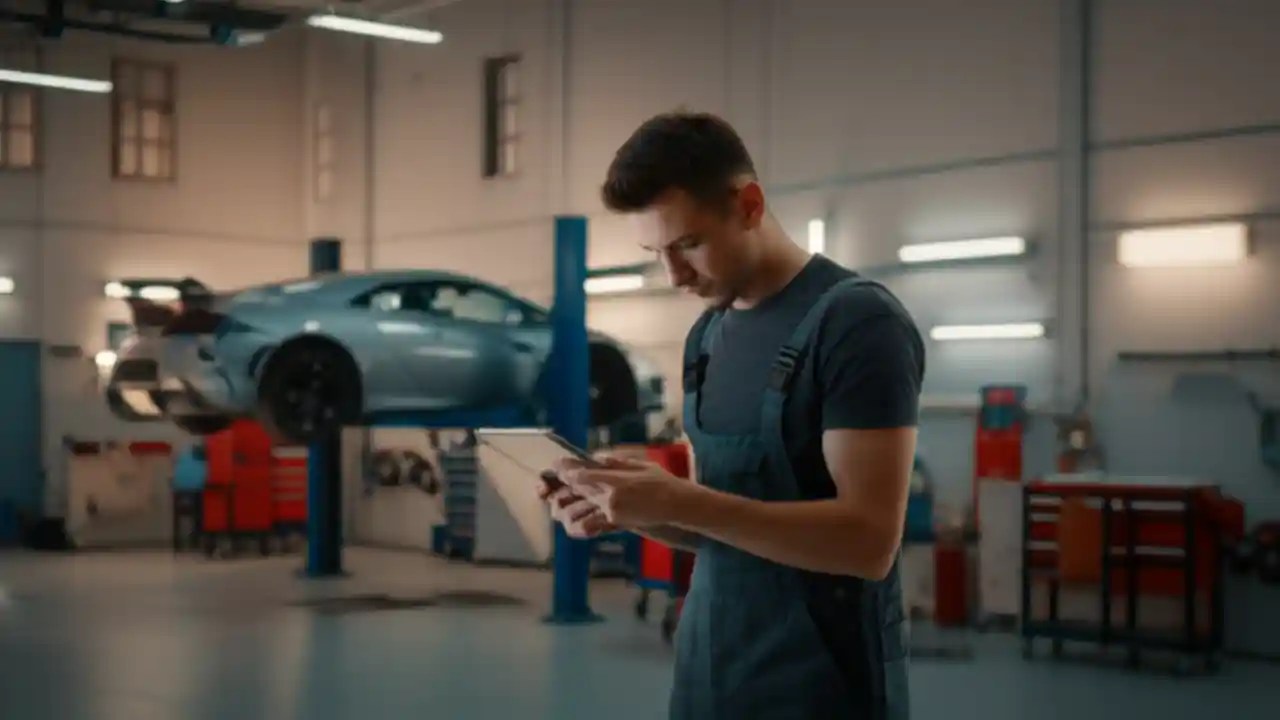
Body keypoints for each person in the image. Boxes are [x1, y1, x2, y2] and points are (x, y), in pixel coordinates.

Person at [541, 111, 924, 719]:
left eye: (689, 244)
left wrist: (681, 501)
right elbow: (727, 523)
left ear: (748, 205)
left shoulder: (856, 324)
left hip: (821, 690)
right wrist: (636, 508)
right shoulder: (707, 337)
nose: (673, 275)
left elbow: (869, 541)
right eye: (656, 253)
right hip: (710, 676)